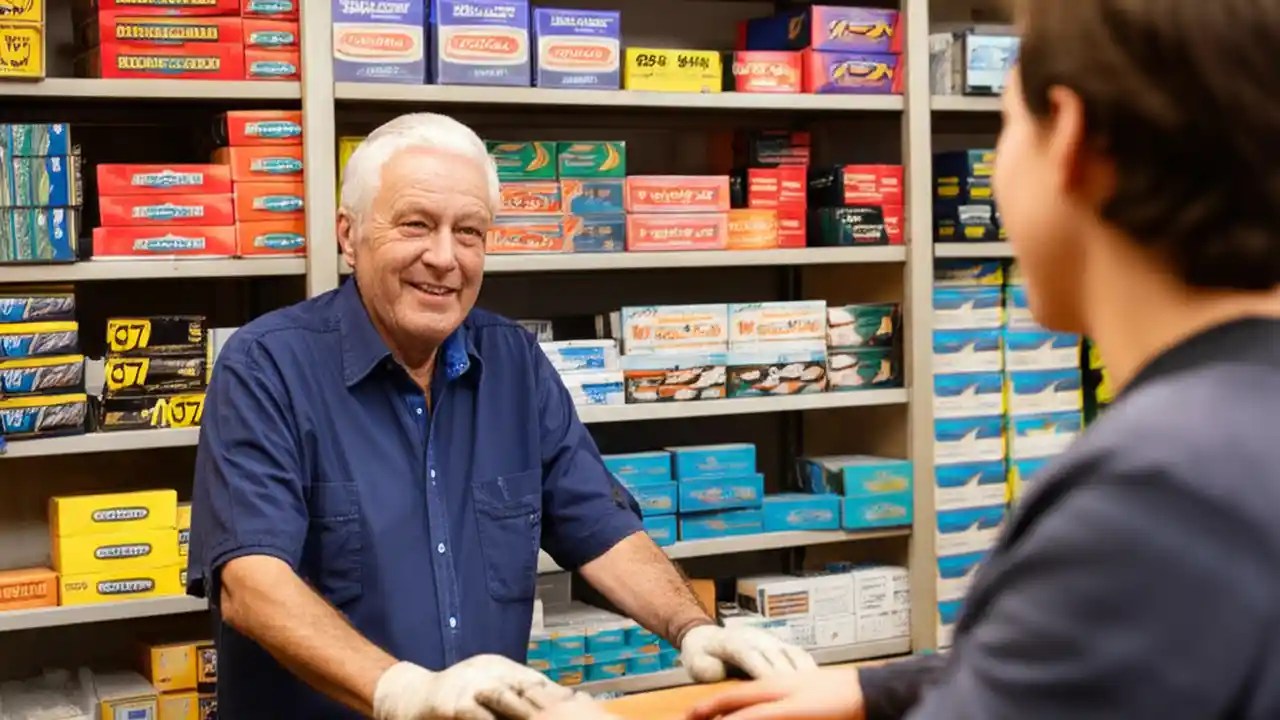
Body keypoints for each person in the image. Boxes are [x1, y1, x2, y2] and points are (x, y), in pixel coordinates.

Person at [535, 0, 1280, 719]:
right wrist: (878, 689)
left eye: (1005, 126)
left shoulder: (1159, 491)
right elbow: (1117, 649)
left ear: (1075, 146)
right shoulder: (1235, 430)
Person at [187, 112, 816, 720]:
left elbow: (597, 524)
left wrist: (695, 629)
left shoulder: (512, 361)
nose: (444, 257)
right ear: (349, 235)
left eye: (469, 232)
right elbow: (251, 584)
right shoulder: (266, 366)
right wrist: (401, 693)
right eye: (415, 225)